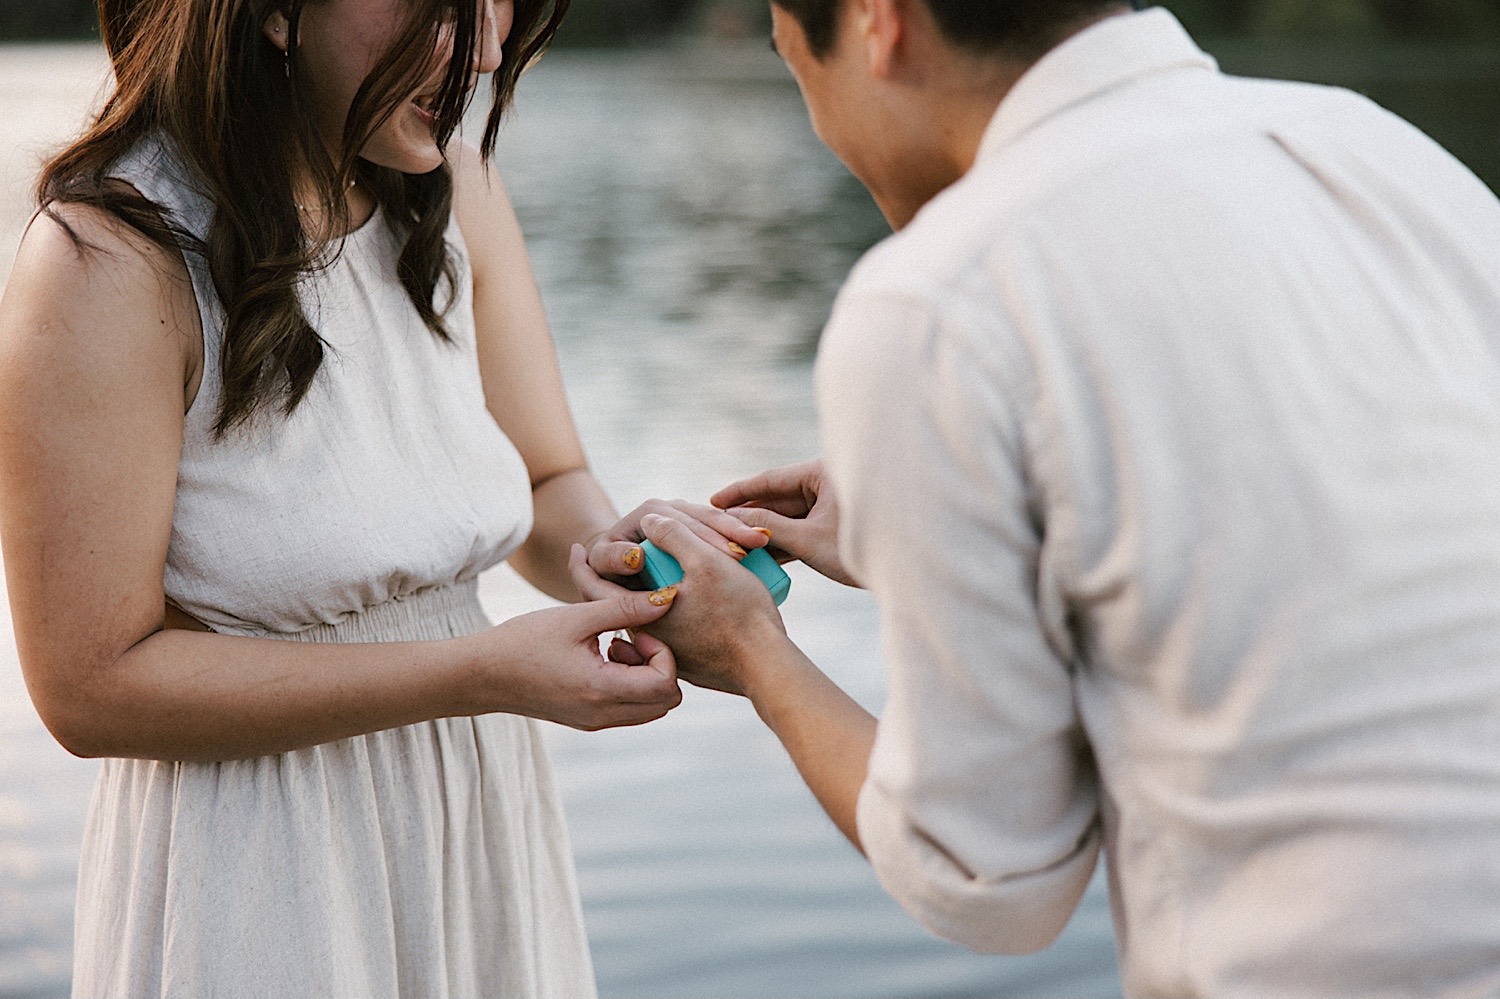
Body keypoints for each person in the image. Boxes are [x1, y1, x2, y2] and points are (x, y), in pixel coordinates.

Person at [574, 0, 1500, 995]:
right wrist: (947, 524)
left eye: (797, 64)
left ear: (878, 23)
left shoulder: (937, 295)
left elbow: (991, 878)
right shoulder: (1378, 152)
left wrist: (752, 648)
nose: (822, 127)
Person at [0, 0, 766, 995]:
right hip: (268, 864)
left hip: (477, 824)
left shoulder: (452, 185)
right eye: (447, 9)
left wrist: (634, 560)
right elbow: (89, 688)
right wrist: (478, 673)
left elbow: (545, 478)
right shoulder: (107, 260)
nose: (488, 52)